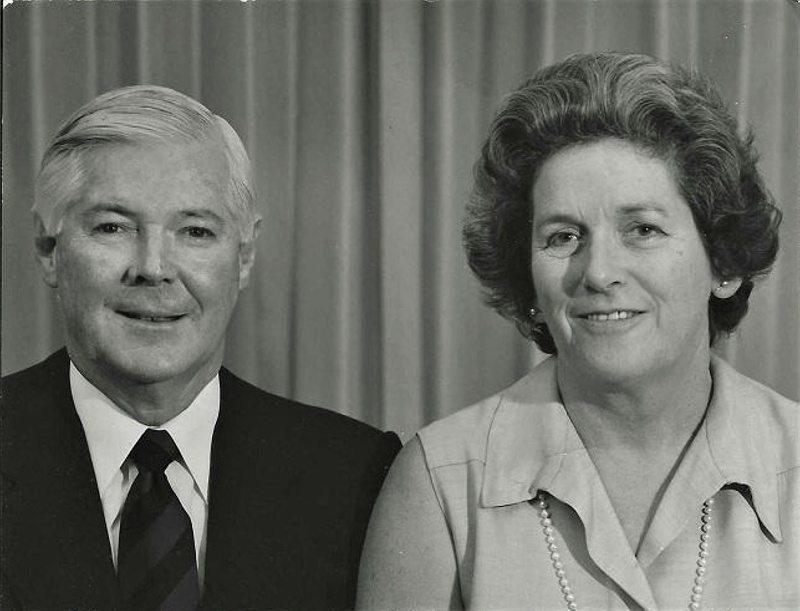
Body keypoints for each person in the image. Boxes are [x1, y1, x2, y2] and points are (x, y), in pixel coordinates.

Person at [357, 52, 798, 610]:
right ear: (529, 282)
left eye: (642, 229)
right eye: (564, 237)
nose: (598, 272)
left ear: (724, 264)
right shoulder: (440, 482)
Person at [0, 85, 401, 611]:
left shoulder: (356, 478)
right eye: (113, 226)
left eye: (194, 231)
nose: (153, 267)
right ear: (49, 250)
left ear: (244, 257)